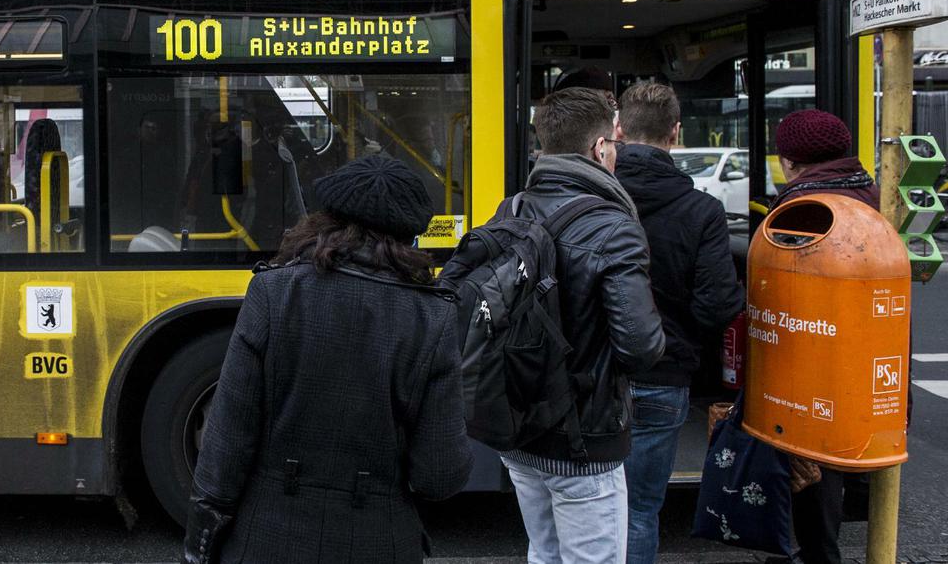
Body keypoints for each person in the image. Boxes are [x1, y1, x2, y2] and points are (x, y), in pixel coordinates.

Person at [182, 154, 473, 564]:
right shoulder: (433, 317)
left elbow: (226, 441)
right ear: (410, 237)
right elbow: (440, 476)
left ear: (325, 220)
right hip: (378, 541)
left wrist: (199, 543)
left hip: (266, 538)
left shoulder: (272, 293)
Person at [501, 87, 666, 564]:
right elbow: (639, 345)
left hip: (518, 425)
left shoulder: (510, 209)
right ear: (600, 149)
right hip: (583, 439)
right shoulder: (614, 228)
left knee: (544, 552)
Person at [613, 82, 745, 564]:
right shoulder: (702, 211)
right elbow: (717, 305)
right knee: (641, 511)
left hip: (590, 375)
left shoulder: (590, 198)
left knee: (581, 504)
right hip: (664, 375)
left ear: (619, 130)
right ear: (676, 133)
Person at [770, 109, 879, 564]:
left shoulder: (805, 209)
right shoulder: (871, 195)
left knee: (811, 482)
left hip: (815, 368)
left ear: (791, 161)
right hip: (866, 361)